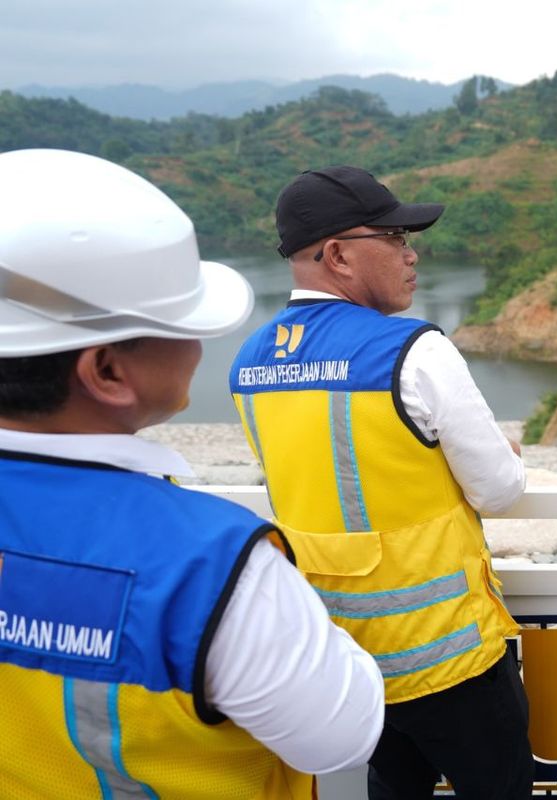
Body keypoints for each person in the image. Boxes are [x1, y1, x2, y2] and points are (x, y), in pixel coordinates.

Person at [0, 149, 384, 799]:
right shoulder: (208, 566)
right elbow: (341, 738)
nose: (199, 346)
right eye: (181, 326)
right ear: (107, 372)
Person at [229, 165, 532, 800]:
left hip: (342, 657)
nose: (411, 253)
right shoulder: (412, 350)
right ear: (338, 255)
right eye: (393, 238)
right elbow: (499, 490)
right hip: (448, 656)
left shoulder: (249, 363)